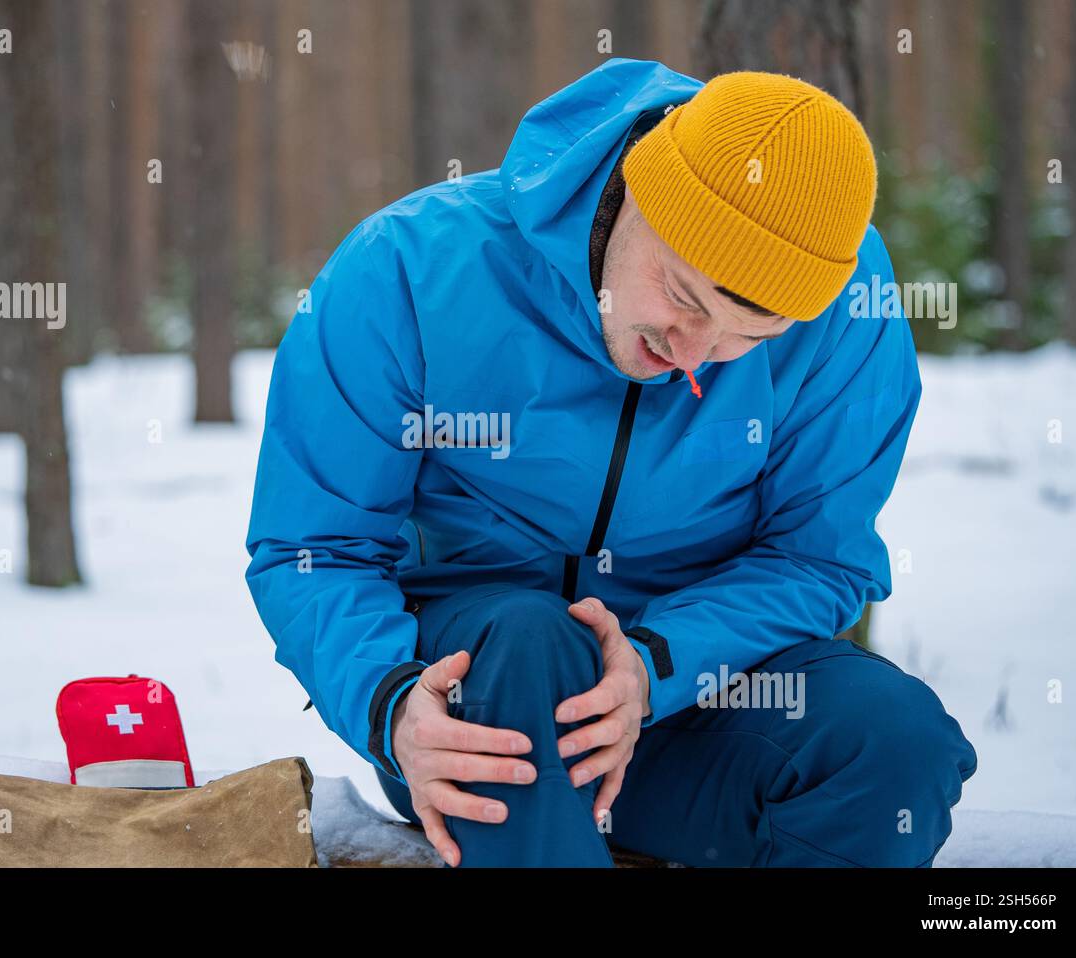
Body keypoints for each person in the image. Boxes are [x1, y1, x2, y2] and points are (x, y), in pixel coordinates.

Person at [246, 59, 977, 867]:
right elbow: (314, 549)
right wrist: (391, 707)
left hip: (698, 698)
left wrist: (655, 665)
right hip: (476, 713)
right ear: (635, 189)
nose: (694, 356)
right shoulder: (409, 268)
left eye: (749, 337)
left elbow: (816, 558)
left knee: (893, 739)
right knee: (530, 640)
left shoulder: (849, 314)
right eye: (684, 296)